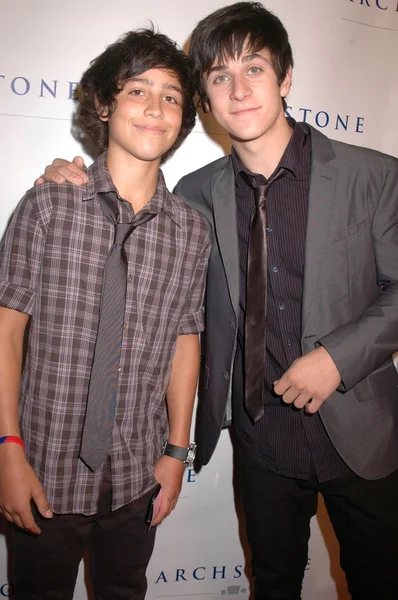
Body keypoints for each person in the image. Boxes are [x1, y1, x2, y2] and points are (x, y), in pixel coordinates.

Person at [35, 2, 398, 598]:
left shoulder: (373, 175)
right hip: (262, 443)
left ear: (285, 78)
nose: (238, 89)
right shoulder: (195, 195)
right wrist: (63, 173)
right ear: (203, 99)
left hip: (362, 434)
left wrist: (339, 355)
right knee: (272, 582)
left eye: (253, 68)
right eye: (219, 76)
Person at [0, 27, 210, 600]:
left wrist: (175, 451)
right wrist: (7, 450)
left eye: (171, 95)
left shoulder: (191, 230)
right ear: (104, 103)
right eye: (137, 90)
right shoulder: (48, 204)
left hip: (136, 476)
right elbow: (7, 333)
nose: (155, 107)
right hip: (42, 466)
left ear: (184, 116)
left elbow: (185, 340)